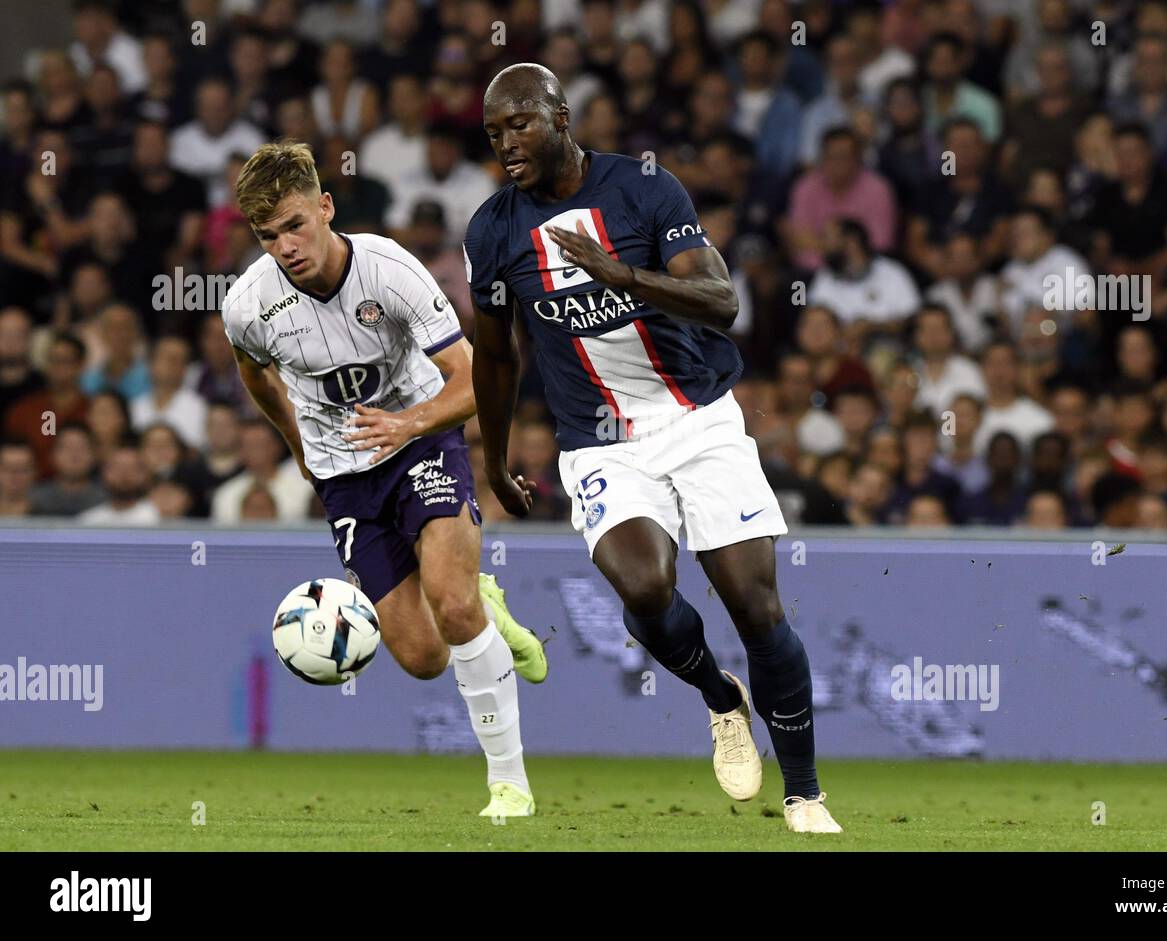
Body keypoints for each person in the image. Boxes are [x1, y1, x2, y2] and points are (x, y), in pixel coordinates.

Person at [466, 64, 840, 833]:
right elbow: (497, 355)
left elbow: (721, 301)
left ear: (563, 117)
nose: (507, 143)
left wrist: (621, 275)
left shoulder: (643, 188)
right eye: (495, 131)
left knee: (756, 607)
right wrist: (496, 457)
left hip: (696, 417)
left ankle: (803, 791)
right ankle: (719, 696)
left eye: (521, 124)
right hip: (599, 443)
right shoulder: (494, 231)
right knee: (643, 588)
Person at [222, 140, 547, 819]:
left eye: (294, 224)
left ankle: (509, 784)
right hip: (344, 475)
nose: (284, 246)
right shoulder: (248, 305)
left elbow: (475, 378)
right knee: (425, 655)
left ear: (326, 206)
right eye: (267, 234)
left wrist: (411, 424)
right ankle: (486, 594)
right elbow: (255, 374)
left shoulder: (390, 270)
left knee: (452, 606)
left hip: (421, 443)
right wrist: (298, 446)